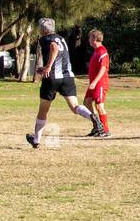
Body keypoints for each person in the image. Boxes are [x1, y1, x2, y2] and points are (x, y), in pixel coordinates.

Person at [26, 18, 104, 148]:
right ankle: (92, 117)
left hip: (52, 78)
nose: (38, 30)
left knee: (43, 110)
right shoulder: (61, 38)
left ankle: (36, 141)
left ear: (44, 29)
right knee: (75, 107)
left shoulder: (46, 39)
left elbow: (54, 48)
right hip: (67, 77)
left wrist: (48, 67)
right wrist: (46, 67)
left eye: (40, 28)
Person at [84, 29, 111, 138]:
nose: (89, 40)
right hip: (93, 83)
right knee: (87, 102)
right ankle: (97, 126)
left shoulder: (102, 51)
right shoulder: (96, 51)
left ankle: (105, 130)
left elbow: (103, 68)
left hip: (100, 83)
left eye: (90, 38)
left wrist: (95, 82)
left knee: (99, 106)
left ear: (94, 39)